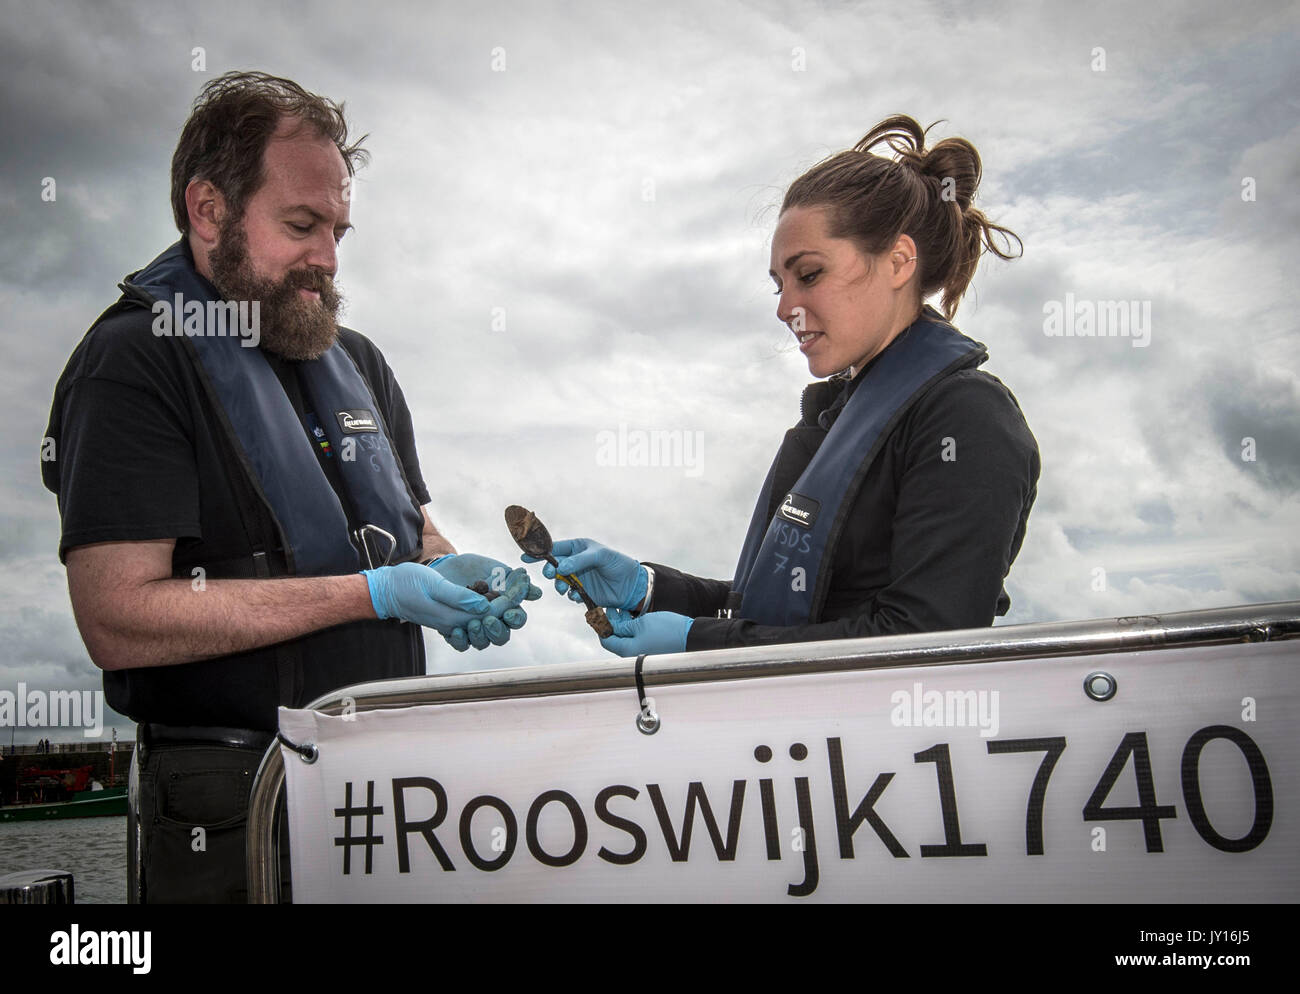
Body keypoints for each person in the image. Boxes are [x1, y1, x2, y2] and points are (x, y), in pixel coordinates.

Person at [41, 71, 540, 902]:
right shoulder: (131, 362)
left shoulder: (362, 363)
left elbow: (414, 538)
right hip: (233, 805)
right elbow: (117, 618)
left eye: (339, 229)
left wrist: (454, 573)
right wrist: (372, 595)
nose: (328, 258)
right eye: (302, 225)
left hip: (386, 795)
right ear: (208, 210)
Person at [534, 115, 1039, 656]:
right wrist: (651, 590)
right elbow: (776, 612)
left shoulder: (966, 417)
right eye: (779, 284)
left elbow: (924, 639)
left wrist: (697, 642)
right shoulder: (832, 422)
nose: (783, 308)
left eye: (810, 274)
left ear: (898, 261)